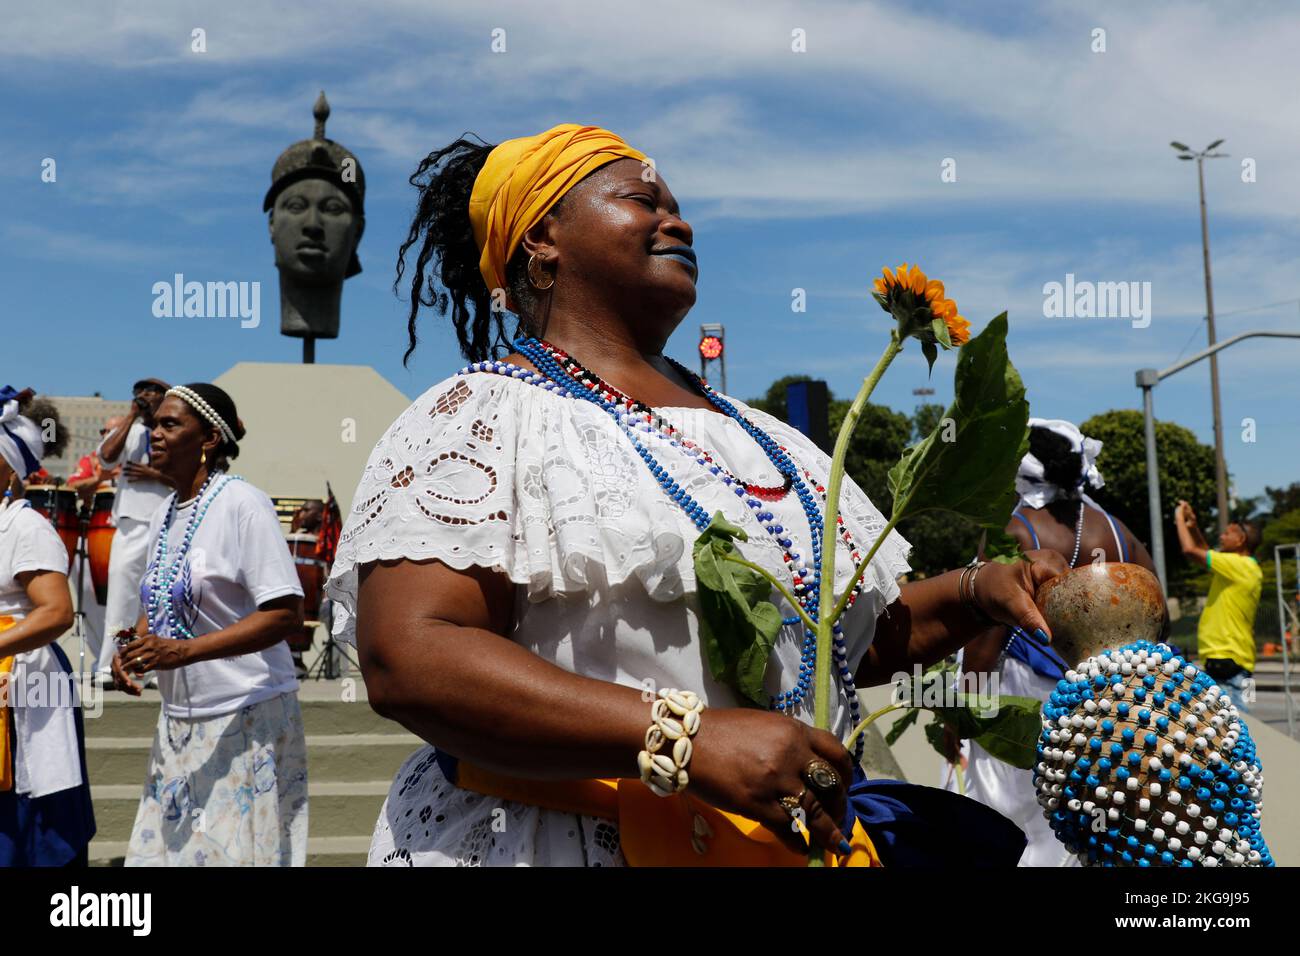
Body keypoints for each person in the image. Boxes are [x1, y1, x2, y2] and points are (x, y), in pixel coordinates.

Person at [324, 123, 1069, 867]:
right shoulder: (478, 417)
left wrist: (975, 591)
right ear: (543, 236)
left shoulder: (768, 436)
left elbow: (833, 650)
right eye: (641, 199)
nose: (677, 220)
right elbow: (410, 657)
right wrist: (687, 738)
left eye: (676, 205)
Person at [111, 383, 309, 866]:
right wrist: (133, 648)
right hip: (179, 724)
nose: (154, 433)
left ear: (208, 439)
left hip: (246, 718)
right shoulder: (163, 513)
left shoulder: (243, 504)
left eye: (169, 424)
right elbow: (158, 598)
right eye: (153, 423)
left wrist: (181, 652)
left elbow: (285, 614)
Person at [956, 419, 1160, 866]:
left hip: (1024, 691)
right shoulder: (1116, 529)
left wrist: (960, 711)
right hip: (1113, 697)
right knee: (1095, 803)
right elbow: (1153, 607)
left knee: (1014, 810)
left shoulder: (1014, 530)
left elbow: (987, 635)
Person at [0, 385, 96, 866]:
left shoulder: (25, 527)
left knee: (26, 823)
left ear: (8, 464)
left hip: (22, 690)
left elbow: (56, 612)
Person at [97, 379, 173, 683]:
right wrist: (130, 417)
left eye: (152, 392)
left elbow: (189, 473)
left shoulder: (172, 432)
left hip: (166, 522)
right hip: (130, 522)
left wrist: (153, 474)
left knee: (159, 598)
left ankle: (151, 665)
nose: (144, 396)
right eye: (140, 392)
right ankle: (109, 665)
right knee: (122, 597)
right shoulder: (129, 431)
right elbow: (106, 457)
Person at [1174, 500, 1262, 713]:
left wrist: (1178, 518)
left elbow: (1190, 550)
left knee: (1233, 731)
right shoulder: (1243, 567)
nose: (1221, 537)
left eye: (1227, 533)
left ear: (1240, 540)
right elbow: (1205, 551)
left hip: (1227, 660)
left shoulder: (1238, 565)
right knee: (1243, 728)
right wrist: (1193, 526)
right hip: (1238, 664)